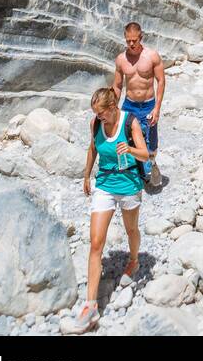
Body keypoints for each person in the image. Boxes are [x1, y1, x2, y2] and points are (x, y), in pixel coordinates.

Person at [71, 85, 149, 334]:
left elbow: (146, 155)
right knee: (96, 243)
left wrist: (130, 149)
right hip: (104, 183)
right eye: (96, 113)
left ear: (113, 108)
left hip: (128, 184)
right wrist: (86, 175)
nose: (98, 117)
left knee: (131, 229)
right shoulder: (96, 123)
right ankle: (90, 305)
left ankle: (134, 261)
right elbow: (93, 148)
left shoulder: (131, 122)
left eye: (101, 113)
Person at [113, 22, 165, 188]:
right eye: (128, 40)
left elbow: (161, 81)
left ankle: (152, 163)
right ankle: (139, 174)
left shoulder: (152, 56)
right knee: (130, 139)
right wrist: (113, 107)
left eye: (134, 40)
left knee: (151, 143)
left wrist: (157, 108)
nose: (131, 44)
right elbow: (117, 85)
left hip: (148, 105)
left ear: (141, 38)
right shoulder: (121, 59)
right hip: (129, 105)